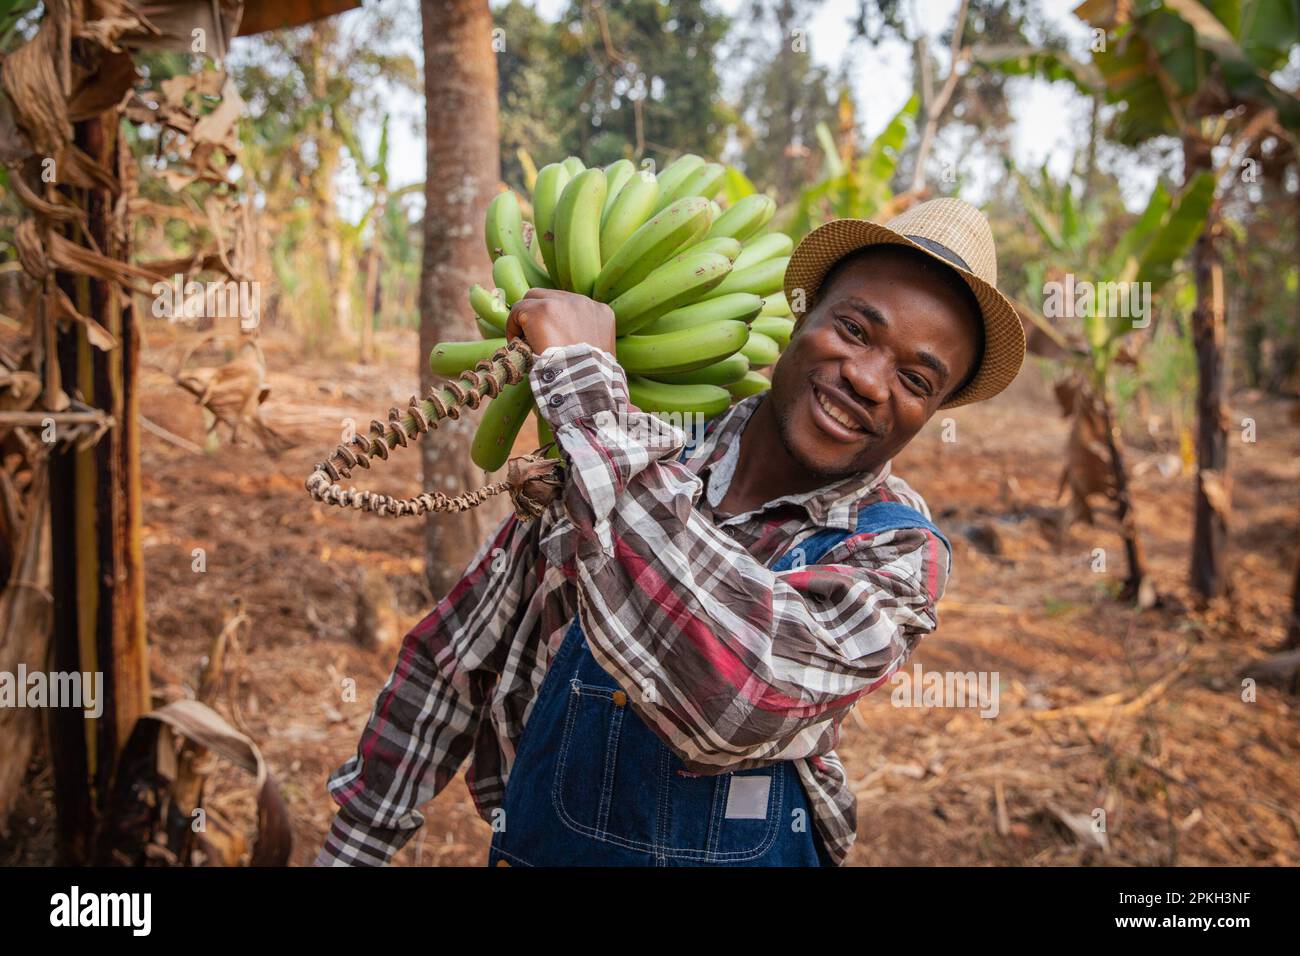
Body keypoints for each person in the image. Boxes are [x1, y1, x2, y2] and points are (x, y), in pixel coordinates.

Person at [315, 197, 1027, 867]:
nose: (869, 380)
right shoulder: (644, 439)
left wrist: (588, 399)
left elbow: (738, 700)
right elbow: (455, 663)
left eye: (916, 379)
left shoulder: (898, 553)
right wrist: (354, 846)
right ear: (801, 317)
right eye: (854, 330)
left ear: (933, 410)